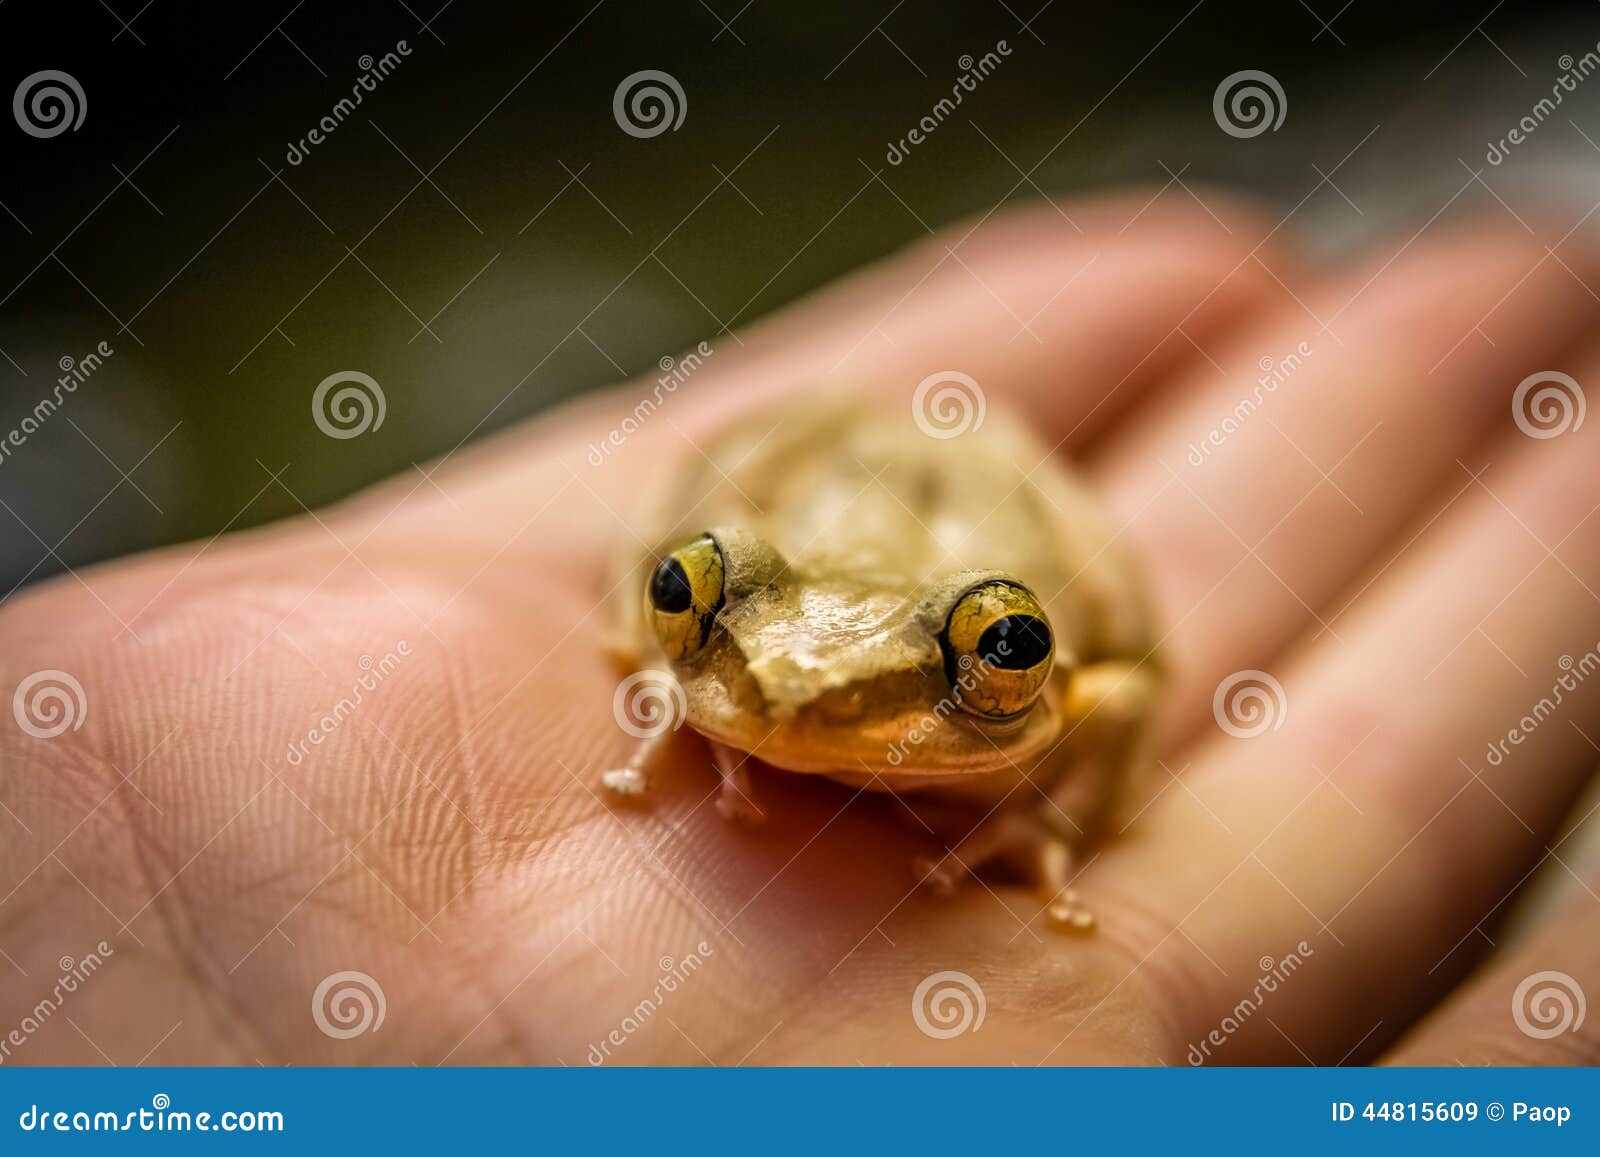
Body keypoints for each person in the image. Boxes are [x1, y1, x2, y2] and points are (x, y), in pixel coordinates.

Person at [2, 191, 1596, 1065]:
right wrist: (670, 636)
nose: (798, 692)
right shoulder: (749, 615)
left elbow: (1119, 680)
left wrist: (1048, 798)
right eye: (705, 614)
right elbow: (717, 577)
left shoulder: (1016, 657)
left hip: (981, 552)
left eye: (990, 662)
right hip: (846, 521)